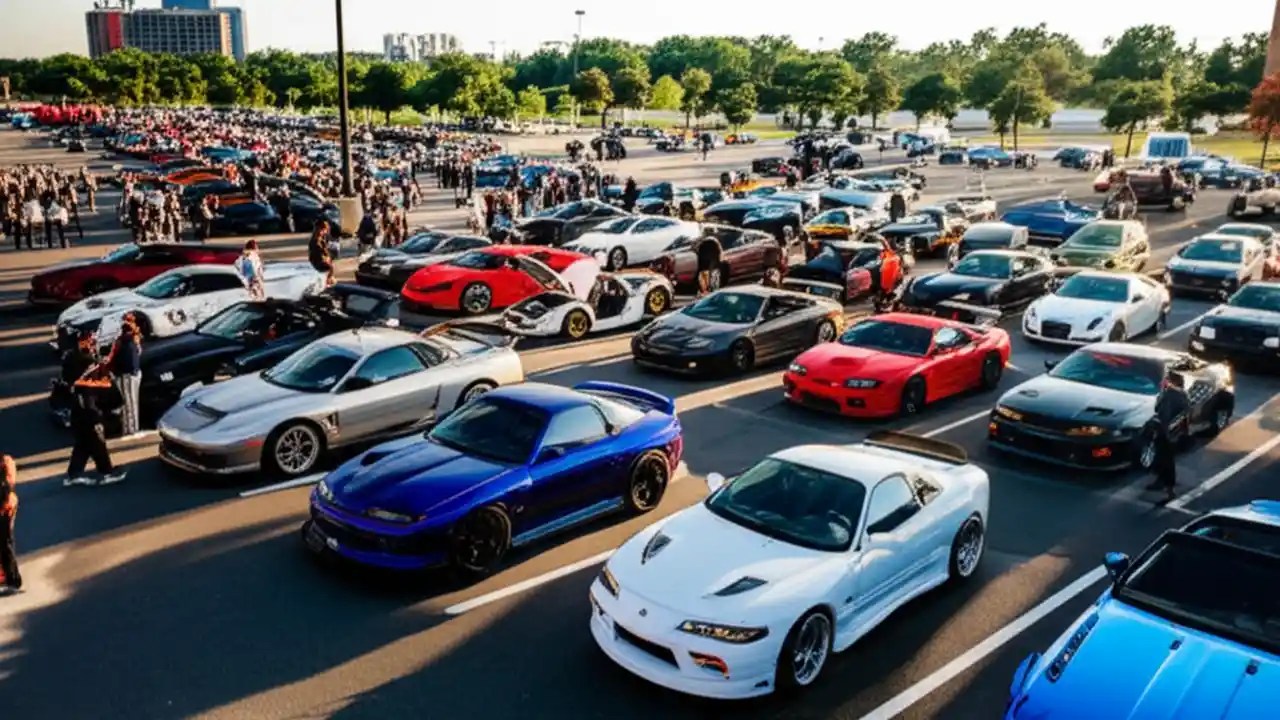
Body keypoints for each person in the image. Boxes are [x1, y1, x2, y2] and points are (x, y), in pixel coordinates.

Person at [65, 375, 125, 486]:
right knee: (98, 444)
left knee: (83, 445)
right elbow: (89, 404)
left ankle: (75, 472)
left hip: (80, 417)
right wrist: (97, 421)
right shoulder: (88, 385)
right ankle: (106, 471)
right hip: (88, 418)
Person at [1146, 371, 1189, 501]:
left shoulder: (1170, 394)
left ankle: (1168, 488)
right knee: (1164, 459)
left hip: (1166, 432)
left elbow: (1160, 410)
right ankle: (1163, 483)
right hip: (1175, 432)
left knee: (1165, 459)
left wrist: (1160, 429)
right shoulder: (1183, 395)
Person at [109, 314, 143, 438]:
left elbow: (127, 360)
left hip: (127, 375)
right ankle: (131, 428)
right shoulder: (133, 339)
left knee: (129, 403)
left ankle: (130, 430)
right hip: (131, 373)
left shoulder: (127, 341)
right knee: (130, 403)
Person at [0, 455, 20, 596]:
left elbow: (6, 487)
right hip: (7, 505)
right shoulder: (7, 461)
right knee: (5, 542)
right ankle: (9, 578)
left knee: (4, 543)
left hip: (4, 507)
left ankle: (11, 580)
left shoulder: (5, 463)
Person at [309, 221, 335, 287]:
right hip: (318, 261)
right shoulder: (316, 239)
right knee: (331, 268)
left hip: (319, 260)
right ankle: (327, 281)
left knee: (331, 267)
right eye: (325, 230)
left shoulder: (321, 237)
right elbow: (320, 251)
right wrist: (326, 258)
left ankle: (328, 280)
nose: (326, 232)